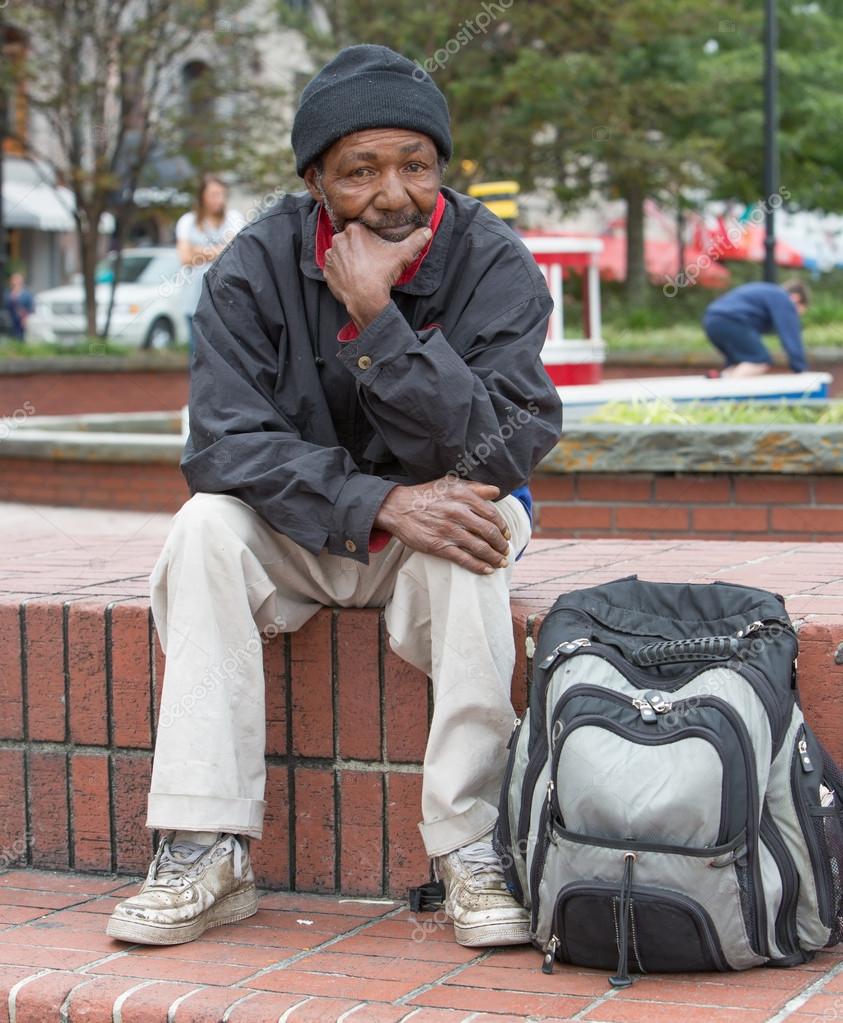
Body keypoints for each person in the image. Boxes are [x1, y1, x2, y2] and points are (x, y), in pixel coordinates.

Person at [106, 44, 562, 951]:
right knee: (201, 530)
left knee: (475, 523)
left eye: (415, 165)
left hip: (435, 544)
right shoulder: (253, 265)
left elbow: (509, 440)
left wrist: (381, 326)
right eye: (360, 171)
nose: (393, 194)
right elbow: (224, 445)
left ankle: (473, 842)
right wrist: (377, 503)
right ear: (315, 178)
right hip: (311, 530)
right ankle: (206, 846)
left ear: (440, 166)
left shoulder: (490, 260)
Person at [175, 174, 245, 353]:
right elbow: (184, 257)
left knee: (227, 354)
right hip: (194, 301)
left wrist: (198, 250)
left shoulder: (234, 218)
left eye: (222, 194)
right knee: (198, 354)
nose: (219, 199)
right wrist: (221, 249)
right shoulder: (187, 222)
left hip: (227, 300)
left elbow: (238, 253)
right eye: (214, 194)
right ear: (202, 197)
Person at [702, 279, 810, 378]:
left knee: (740, 363)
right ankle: (727, 394)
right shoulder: (783, 298)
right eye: (796, 313)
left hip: (712, 321)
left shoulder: (769, 293)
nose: (793, 318)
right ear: (796, 298)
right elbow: (790, 337)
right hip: (730, 320)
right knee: (759, 360)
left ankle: (721, 379)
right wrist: (800, 370)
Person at [4, 272, 34, 341]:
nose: (16, 282)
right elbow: (7, 306)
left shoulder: (27, 294)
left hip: (23, 319)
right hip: (12, 319)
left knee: (22, 337)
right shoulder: (8, 293)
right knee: (12, 337)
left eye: (18, 280)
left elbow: (30, 307)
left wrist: (25, 318)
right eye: (14, 280)